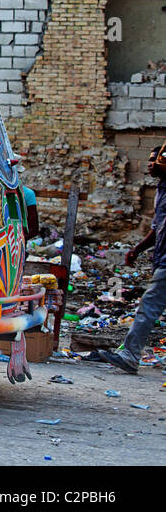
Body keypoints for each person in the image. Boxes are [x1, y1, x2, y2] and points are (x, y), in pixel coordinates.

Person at [99, 142, 166, 374]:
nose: (149, 163)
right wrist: (137, 250)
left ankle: (129, 355)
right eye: (148, 158)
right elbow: (157, 229)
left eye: (154, 159)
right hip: (162, 260)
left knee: (148, 308)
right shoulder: (162, 189)